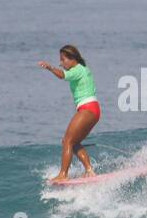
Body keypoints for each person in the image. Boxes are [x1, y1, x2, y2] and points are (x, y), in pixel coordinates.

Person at [38, 44, 100, 181]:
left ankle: (63, 175)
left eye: (63, 59)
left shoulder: (78, 69)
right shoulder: (83, 69)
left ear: (73, 59)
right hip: (93, 110)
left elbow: (62, 75)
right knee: (74, 143)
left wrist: (50, 68)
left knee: (67, 141)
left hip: (87, 108)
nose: (61, 63)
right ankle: (89, 171)